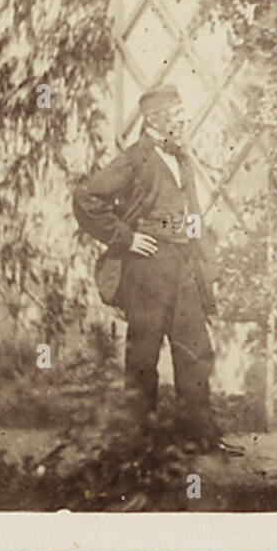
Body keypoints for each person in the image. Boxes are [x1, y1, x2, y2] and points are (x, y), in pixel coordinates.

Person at [72, 84, 230, 455]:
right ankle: (138, 441)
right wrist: (125, 239)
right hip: (148, 264)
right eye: (176, 114)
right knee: (144, 351)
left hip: (184, 264)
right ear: (157, 120)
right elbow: (87, 198)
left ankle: (198, 437)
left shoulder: (182, 156)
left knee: (194, 348)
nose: (183, 119)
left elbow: (192, 214)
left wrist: (204, 261)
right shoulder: (134, 158)